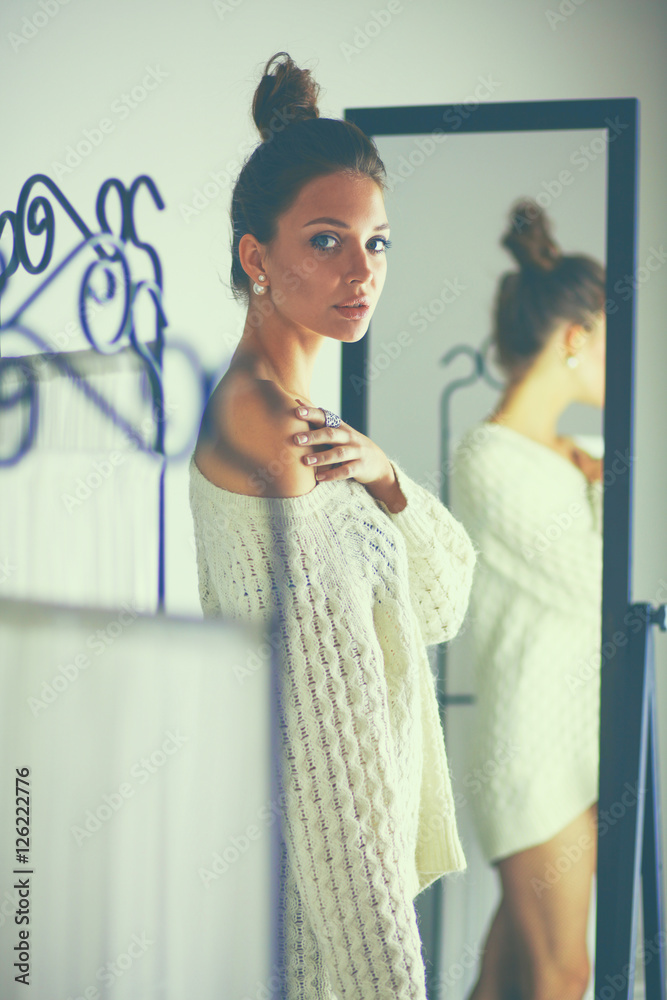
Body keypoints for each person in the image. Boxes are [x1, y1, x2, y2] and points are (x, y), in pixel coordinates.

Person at [188, 51, 477, 999]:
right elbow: (332, 777)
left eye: (377, 242)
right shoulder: (268, 435)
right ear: (253, 257)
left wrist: (389, 476)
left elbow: (439, 603)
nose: (362, 271)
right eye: (326, 241)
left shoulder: (315, 427)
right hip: (325, 924)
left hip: (344, 893)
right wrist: (388, 979)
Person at [452, 199, 605, 1000]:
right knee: (561, 972)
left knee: (509, 970)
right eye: (609, 340)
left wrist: (596, 472)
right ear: (574, 340)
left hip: (573, 742)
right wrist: (603, 483)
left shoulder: (578, 457)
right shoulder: (490, 457)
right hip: (530, 747)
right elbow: (593, 585)